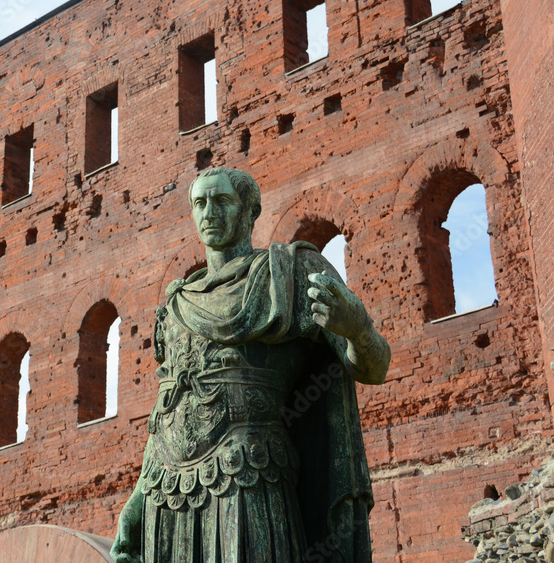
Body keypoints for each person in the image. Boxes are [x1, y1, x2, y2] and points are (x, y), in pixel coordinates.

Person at [110, 167, 391, 563]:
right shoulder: (176, 304)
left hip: (250, 475)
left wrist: (357, 328)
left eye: (222, 201)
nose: (209, 212)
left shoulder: (289, 274)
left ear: (250, 211)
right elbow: (166, 412)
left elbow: (373, 368)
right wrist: (137, 501)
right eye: (199, 203)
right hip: (166, 491)